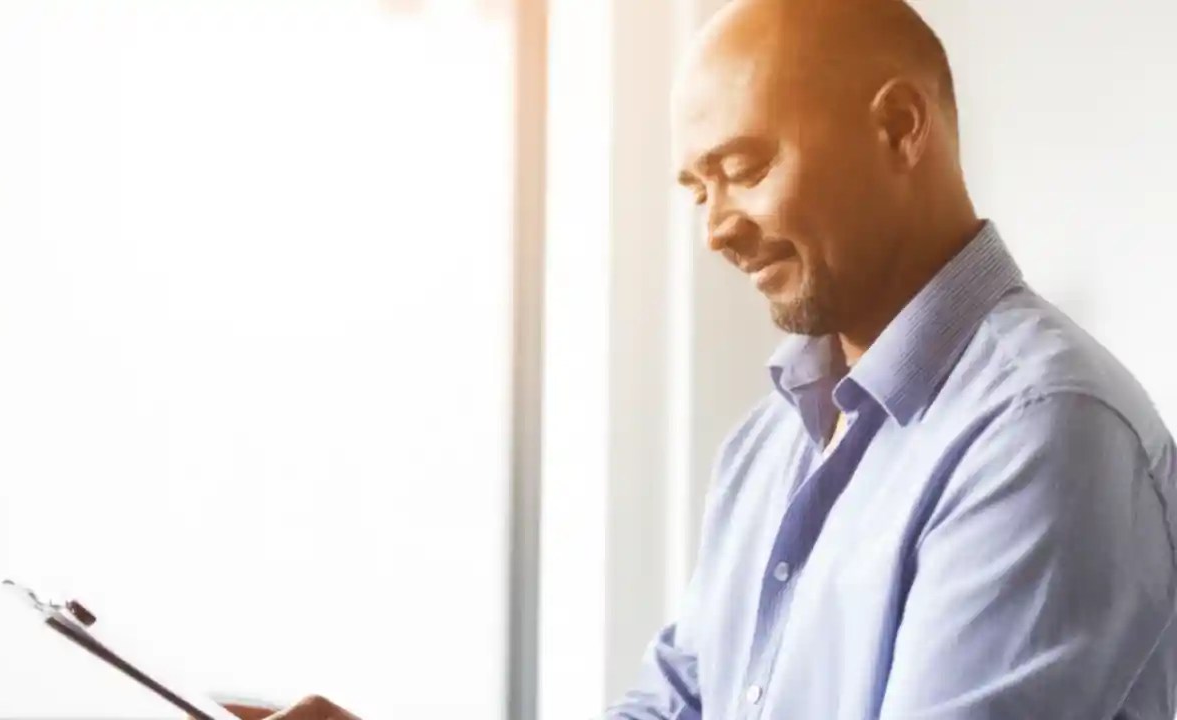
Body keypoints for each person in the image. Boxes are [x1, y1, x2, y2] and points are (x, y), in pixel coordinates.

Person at [239, 0, 1177, 717]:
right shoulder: (769, 446)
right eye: (697, 189)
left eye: (745, 169)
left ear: (899, 129)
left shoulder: (1046, 432)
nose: (718, 230)